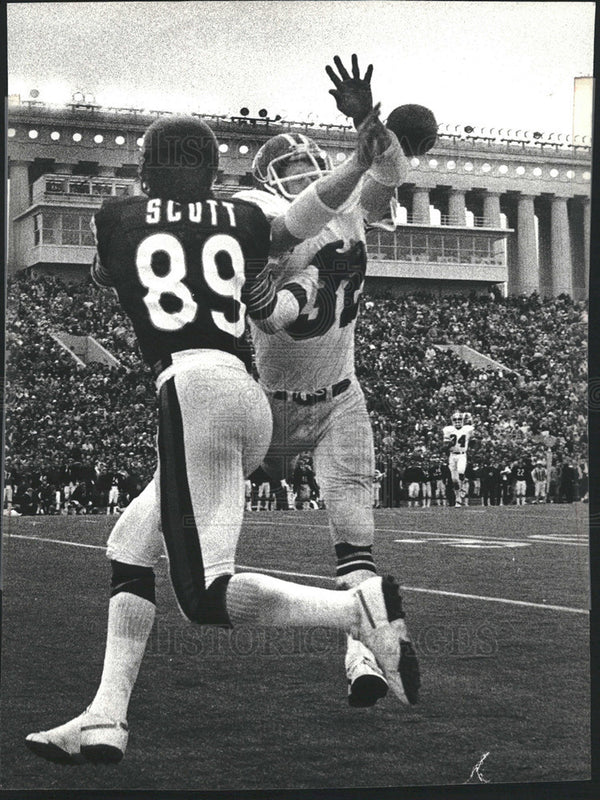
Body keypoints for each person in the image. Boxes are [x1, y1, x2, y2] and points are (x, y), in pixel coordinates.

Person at [26, 112, 419, 766]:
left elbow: (102, 274)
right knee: (128, 544)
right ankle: (105, 716)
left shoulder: (121, 216)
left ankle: (357, 612)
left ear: (149, 169)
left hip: (195, 389)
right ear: (214, 174)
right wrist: (358, 158)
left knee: (207, 596)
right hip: (242, 388)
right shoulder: (241, 221)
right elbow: (302, 219)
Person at [233, 54, 418, 706]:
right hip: (264, 403)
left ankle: (361, 660)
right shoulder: (257, 213)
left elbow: (392, 171)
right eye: (289, 168)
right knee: (199, 545)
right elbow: (309, 214)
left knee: (355, 540)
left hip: (341, 395)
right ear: (266, 179)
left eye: (308, 164)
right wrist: (357, 155)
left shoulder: (351, 209)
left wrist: (371, 125)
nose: (301, 175)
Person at [442, 411, 476, 507]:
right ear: (452, 421)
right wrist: (449, 444)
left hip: (462, 455)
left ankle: (464, 485)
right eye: (455, 420)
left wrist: (472, 442)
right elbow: (444, 447)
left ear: (463, 421)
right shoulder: (448, 430)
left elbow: (473, 441)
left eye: (459, 420)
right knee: (454, 480)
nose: (457, 422)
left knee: (461, 472)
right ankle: (458, 499)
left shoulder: (468, 429)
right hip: (452, 456)